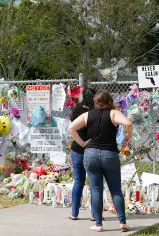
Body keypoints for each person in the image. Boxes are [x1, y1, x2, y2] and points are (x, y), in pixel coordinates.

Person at [68, 91, 133, 232]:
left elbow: (71, 128)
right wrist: (129, 137)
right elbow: (128, 123)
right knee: (115, 189)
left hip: (90, 154)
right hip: (109, 154)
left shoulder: (87, 115)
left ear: (95, 102)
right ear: (109, 101)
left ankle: (98, 224)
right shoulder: (113, 113)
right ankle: (122, 222)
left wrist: (82, 143)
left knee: (96, 189)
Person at [68, 87, 96, 221]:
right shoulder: (96, 112)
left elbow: (70, 128)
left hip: (77, 149)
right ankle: (94, 215)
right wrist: (86, 143)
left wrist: (80, 142)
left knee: (78, 181)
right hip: (92, 149)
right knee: (93, 183)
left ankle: (74, 213)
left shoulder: (76, 109)